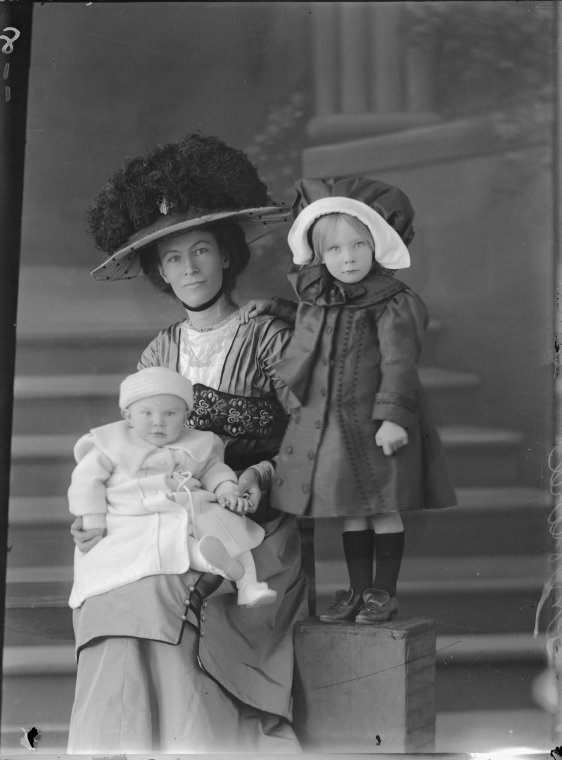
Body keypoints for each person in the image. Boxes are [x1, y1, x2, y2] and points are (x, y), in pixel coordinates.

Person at [68, 134, 307, 754]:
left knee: (169, 588)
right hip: (160, 509)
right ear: (159, 272)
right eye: (173, 259)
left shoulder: (270, 336)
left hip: (256, 522)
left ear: (227, 256)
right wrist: (98, 514)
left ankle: (196, 743)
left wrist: (256, 479)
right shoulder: (159, 353)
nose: (190, 268)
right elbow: (132, 449)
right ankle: (129, 742)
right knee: (112, 583)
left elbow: (309, 436)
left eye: (202, 250)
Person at [242, 177, 457, 626]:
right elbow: (309, 320)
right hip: (336, 426)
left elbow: (401, 362)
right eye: (335, 250)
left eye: (359, 244)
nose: (349, 257)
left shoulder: (392, 303)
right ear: (319, 256)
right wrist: (276, 309)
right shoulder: (322, 297)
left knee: (382, 505)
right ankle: (359, 590)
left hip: (375, 423)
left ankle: (385, 592)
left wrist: (394, 418)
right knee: (351, 511)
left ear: (376, 244)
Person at [68, 366, 277, 610]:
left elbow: (213, 469)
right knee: (176, 541)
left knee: (234, 534)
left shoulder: (196, 441)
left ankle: (249, 586)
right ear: (127, 414)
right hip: (138, 514)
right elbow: (86, 482)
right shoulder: (110, 445)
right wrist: (93, 521)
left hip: (193, 506)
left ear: (186, 413)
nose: (158, 422)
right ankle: (217, 563)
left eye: (170, 413)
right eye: (146, 413)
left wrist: (227, 491)